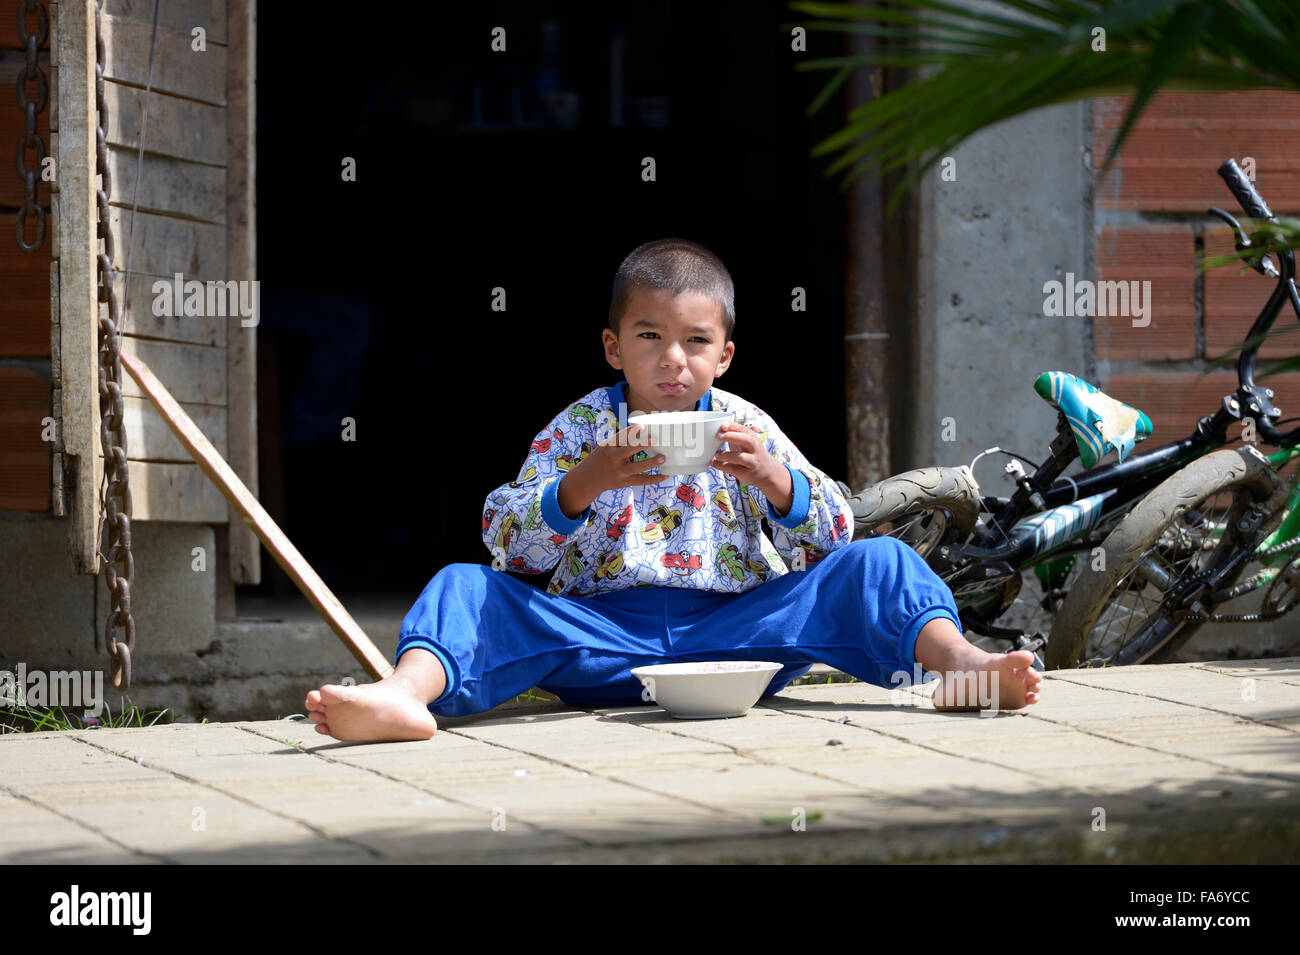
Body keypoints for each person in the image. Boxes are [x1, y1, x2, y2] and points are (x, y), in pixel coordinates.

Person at [306, 238, 1041, 741]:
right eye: (650, 337)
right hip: (600, 637)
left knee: (877, 565)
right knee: (464, 587)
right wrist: (585, 481)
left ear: (723, 356)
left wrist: (775, 480)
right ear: (613, 346)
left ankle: (964, 667)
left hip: (735, 636)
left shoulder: (745, 424)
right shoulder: (581, 426)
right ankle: (405, 694)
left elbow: (831, 537)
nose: (673, 361)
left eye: (695, 341)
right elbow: (508, 545)